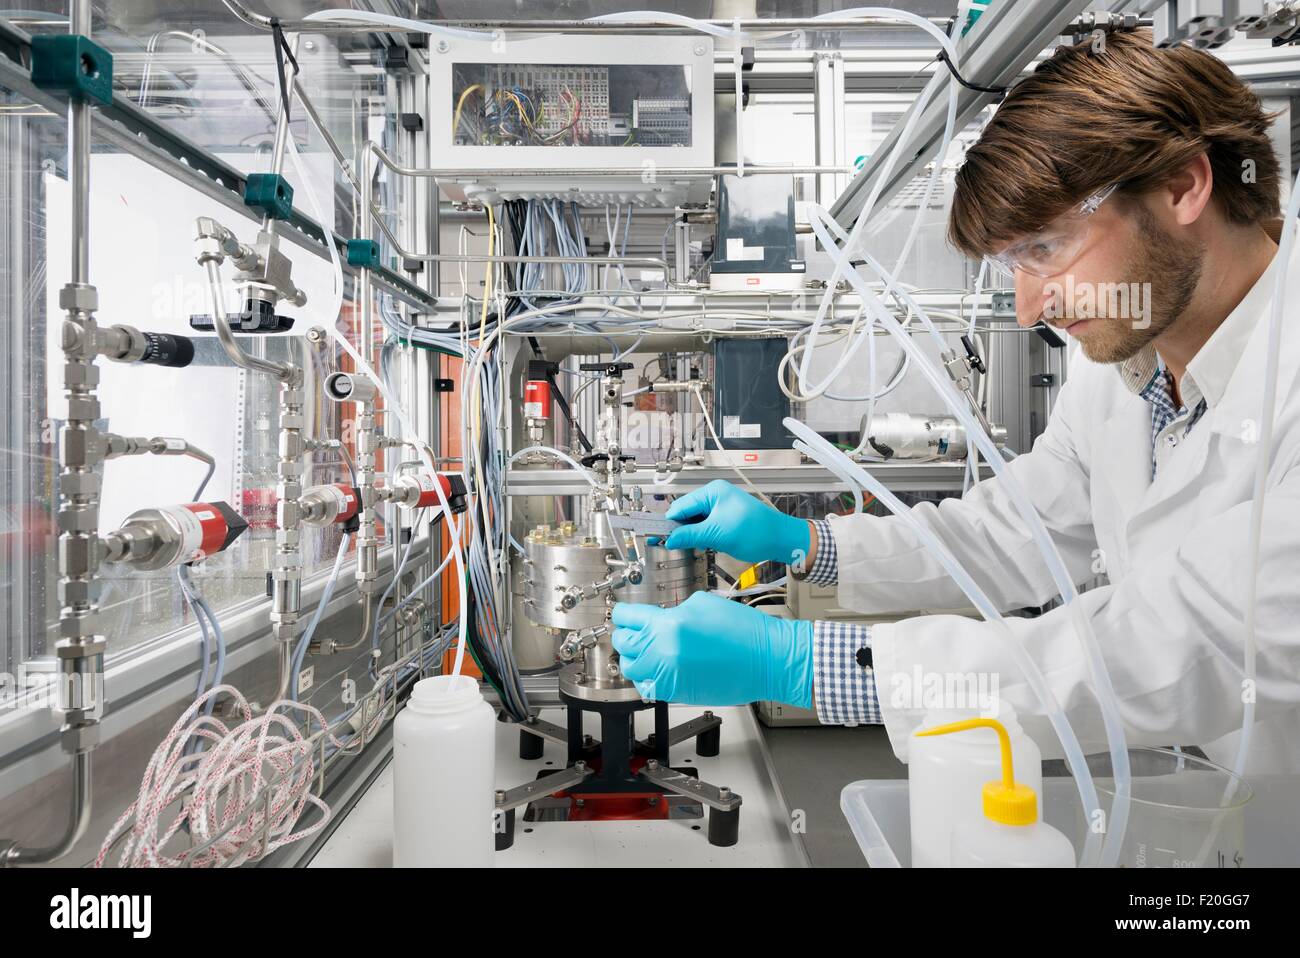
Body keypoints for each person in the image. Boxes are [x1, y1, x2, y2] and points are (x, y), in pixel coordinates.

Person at [611, 29, 1300, 774]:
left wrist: (809, 663)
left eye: (1043, 248)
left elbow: (1189, 640)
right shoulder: (1123, 363)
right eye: (1011, 265)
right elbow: (1014, 530)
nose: (1030, 309)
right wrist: (807, 545)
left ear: (1182, 187)